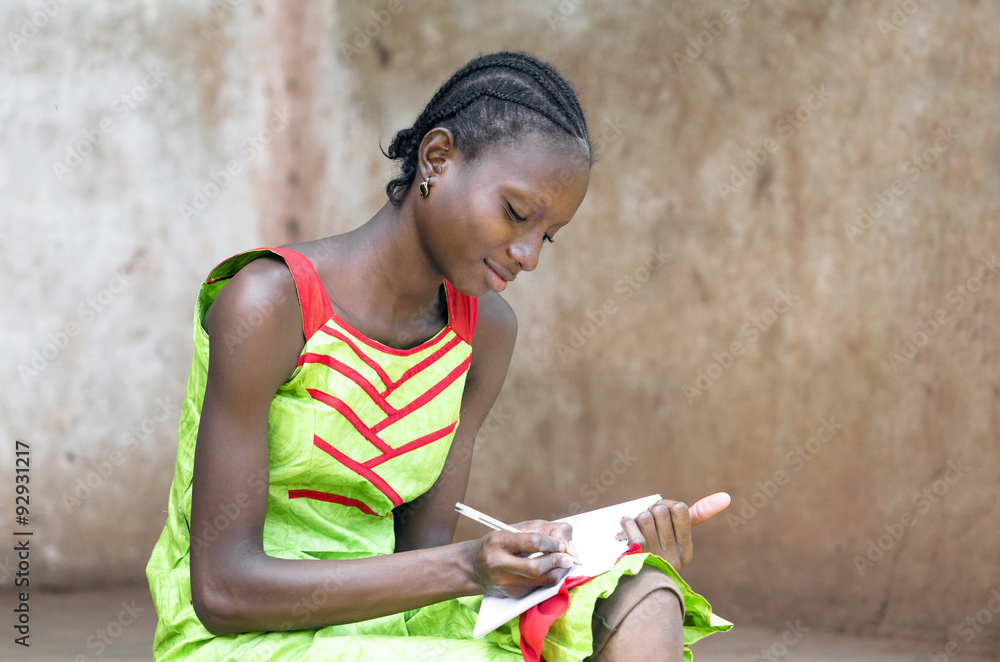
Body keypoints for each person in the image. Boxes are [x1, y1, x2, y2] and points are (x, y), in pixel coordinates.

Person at [146, 50, 732, 662]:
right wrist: (469, 565)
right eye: (515, 213)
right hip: (241, 636)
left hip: (386, 623)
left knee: (644, 593)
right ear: (437, 158)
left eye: (547, 236)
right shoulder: (271, 303)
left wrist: (587, 554)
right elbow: (223, 590)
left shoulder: (484, 333)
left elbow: (421, 554)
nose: (529, 254)